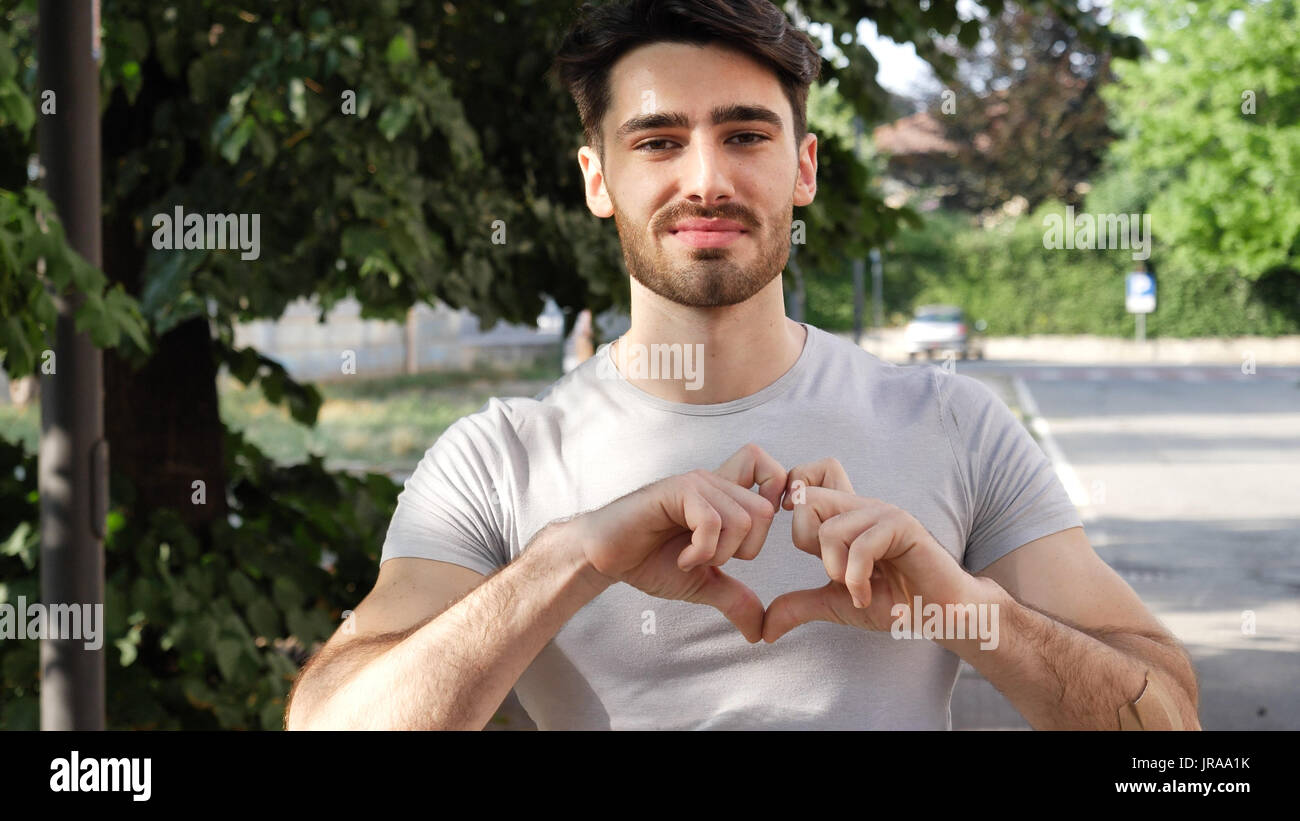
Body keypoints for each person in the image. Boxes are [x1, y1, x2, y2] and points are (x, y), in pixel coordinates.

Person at [285, 0, 1199, 731]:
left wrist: (964, 607)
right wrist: (571, 557)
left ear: (803, 169)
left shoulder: (953, 424)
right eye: (657, 140)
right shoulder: (496, 461)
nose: (707, 178)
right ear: (597, 180)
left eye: (745, 134)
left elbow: (1173, 744)